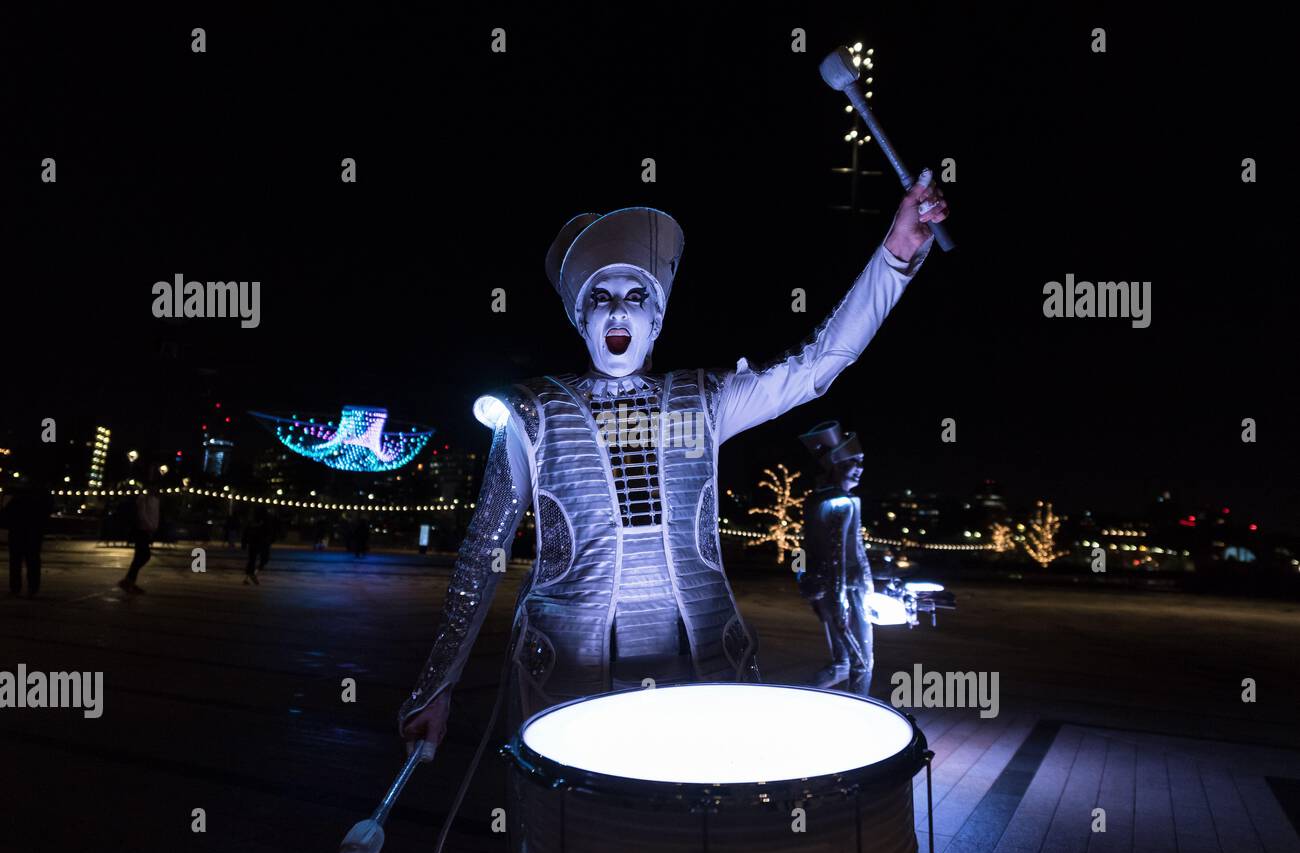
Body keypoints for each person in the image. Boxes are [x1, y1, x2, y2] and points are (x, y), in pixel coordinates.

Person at [401, 178, 949, 755]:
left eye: (635, 295)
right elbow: (483, 552)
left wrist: (896, 253)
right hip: (567, 679)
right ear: (580, 318)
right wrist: (435, 688)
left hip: (700, 668)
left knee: (689, 831)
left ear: (656, 319)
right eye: (600, 296)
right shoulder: (533, 412)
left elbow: (816, 365)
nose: (617, 308)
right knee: (581, 834)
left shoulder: (703, 400)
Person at [796, 422, 875, 696]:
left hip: (825, 591)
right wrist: (842, 597)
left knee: (842, 664)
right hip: (848, 592)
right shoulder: (844, 501)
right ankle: (858, 722)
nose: (860, 469)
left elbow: (805, 548)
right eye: (854, 462)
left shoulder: (813, 501)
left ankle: (797, 700)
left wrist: (814, 592)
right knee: (862, 664)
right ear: (835, 465)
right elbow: (839, 553)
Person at [2, 475, 53, 598]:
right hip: (33, 533)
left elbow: (5, 514)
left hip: (17, 532)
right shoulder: (41, 499)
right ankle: (32, 588)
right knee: (33, 561)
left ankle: (16, 587)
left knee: (16, 562)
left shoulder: (17, 499)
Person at [118, 471, 161, 595]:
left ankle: (129, 582)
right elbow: (142, 515)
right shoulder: (144, 498)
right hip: (141, 530)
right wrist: (149, 526)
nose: (156, 489)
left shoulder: (155, 499)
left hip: (147, 531)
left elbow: (154, 516)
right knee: (144, 555)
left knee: (139, 557)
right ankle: (128, 581)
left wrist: (153, 528)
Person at [242, 506, 273, 584]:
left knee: (252, 560)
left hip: (253, 542)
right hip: (262, 542)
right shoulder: (266, 520)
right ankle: (254, 574)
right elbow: (268, 531)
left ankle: (247, 578)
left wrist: (244, 543)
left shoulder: (252, 520)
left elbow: (246, 531)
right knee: (264, 559)